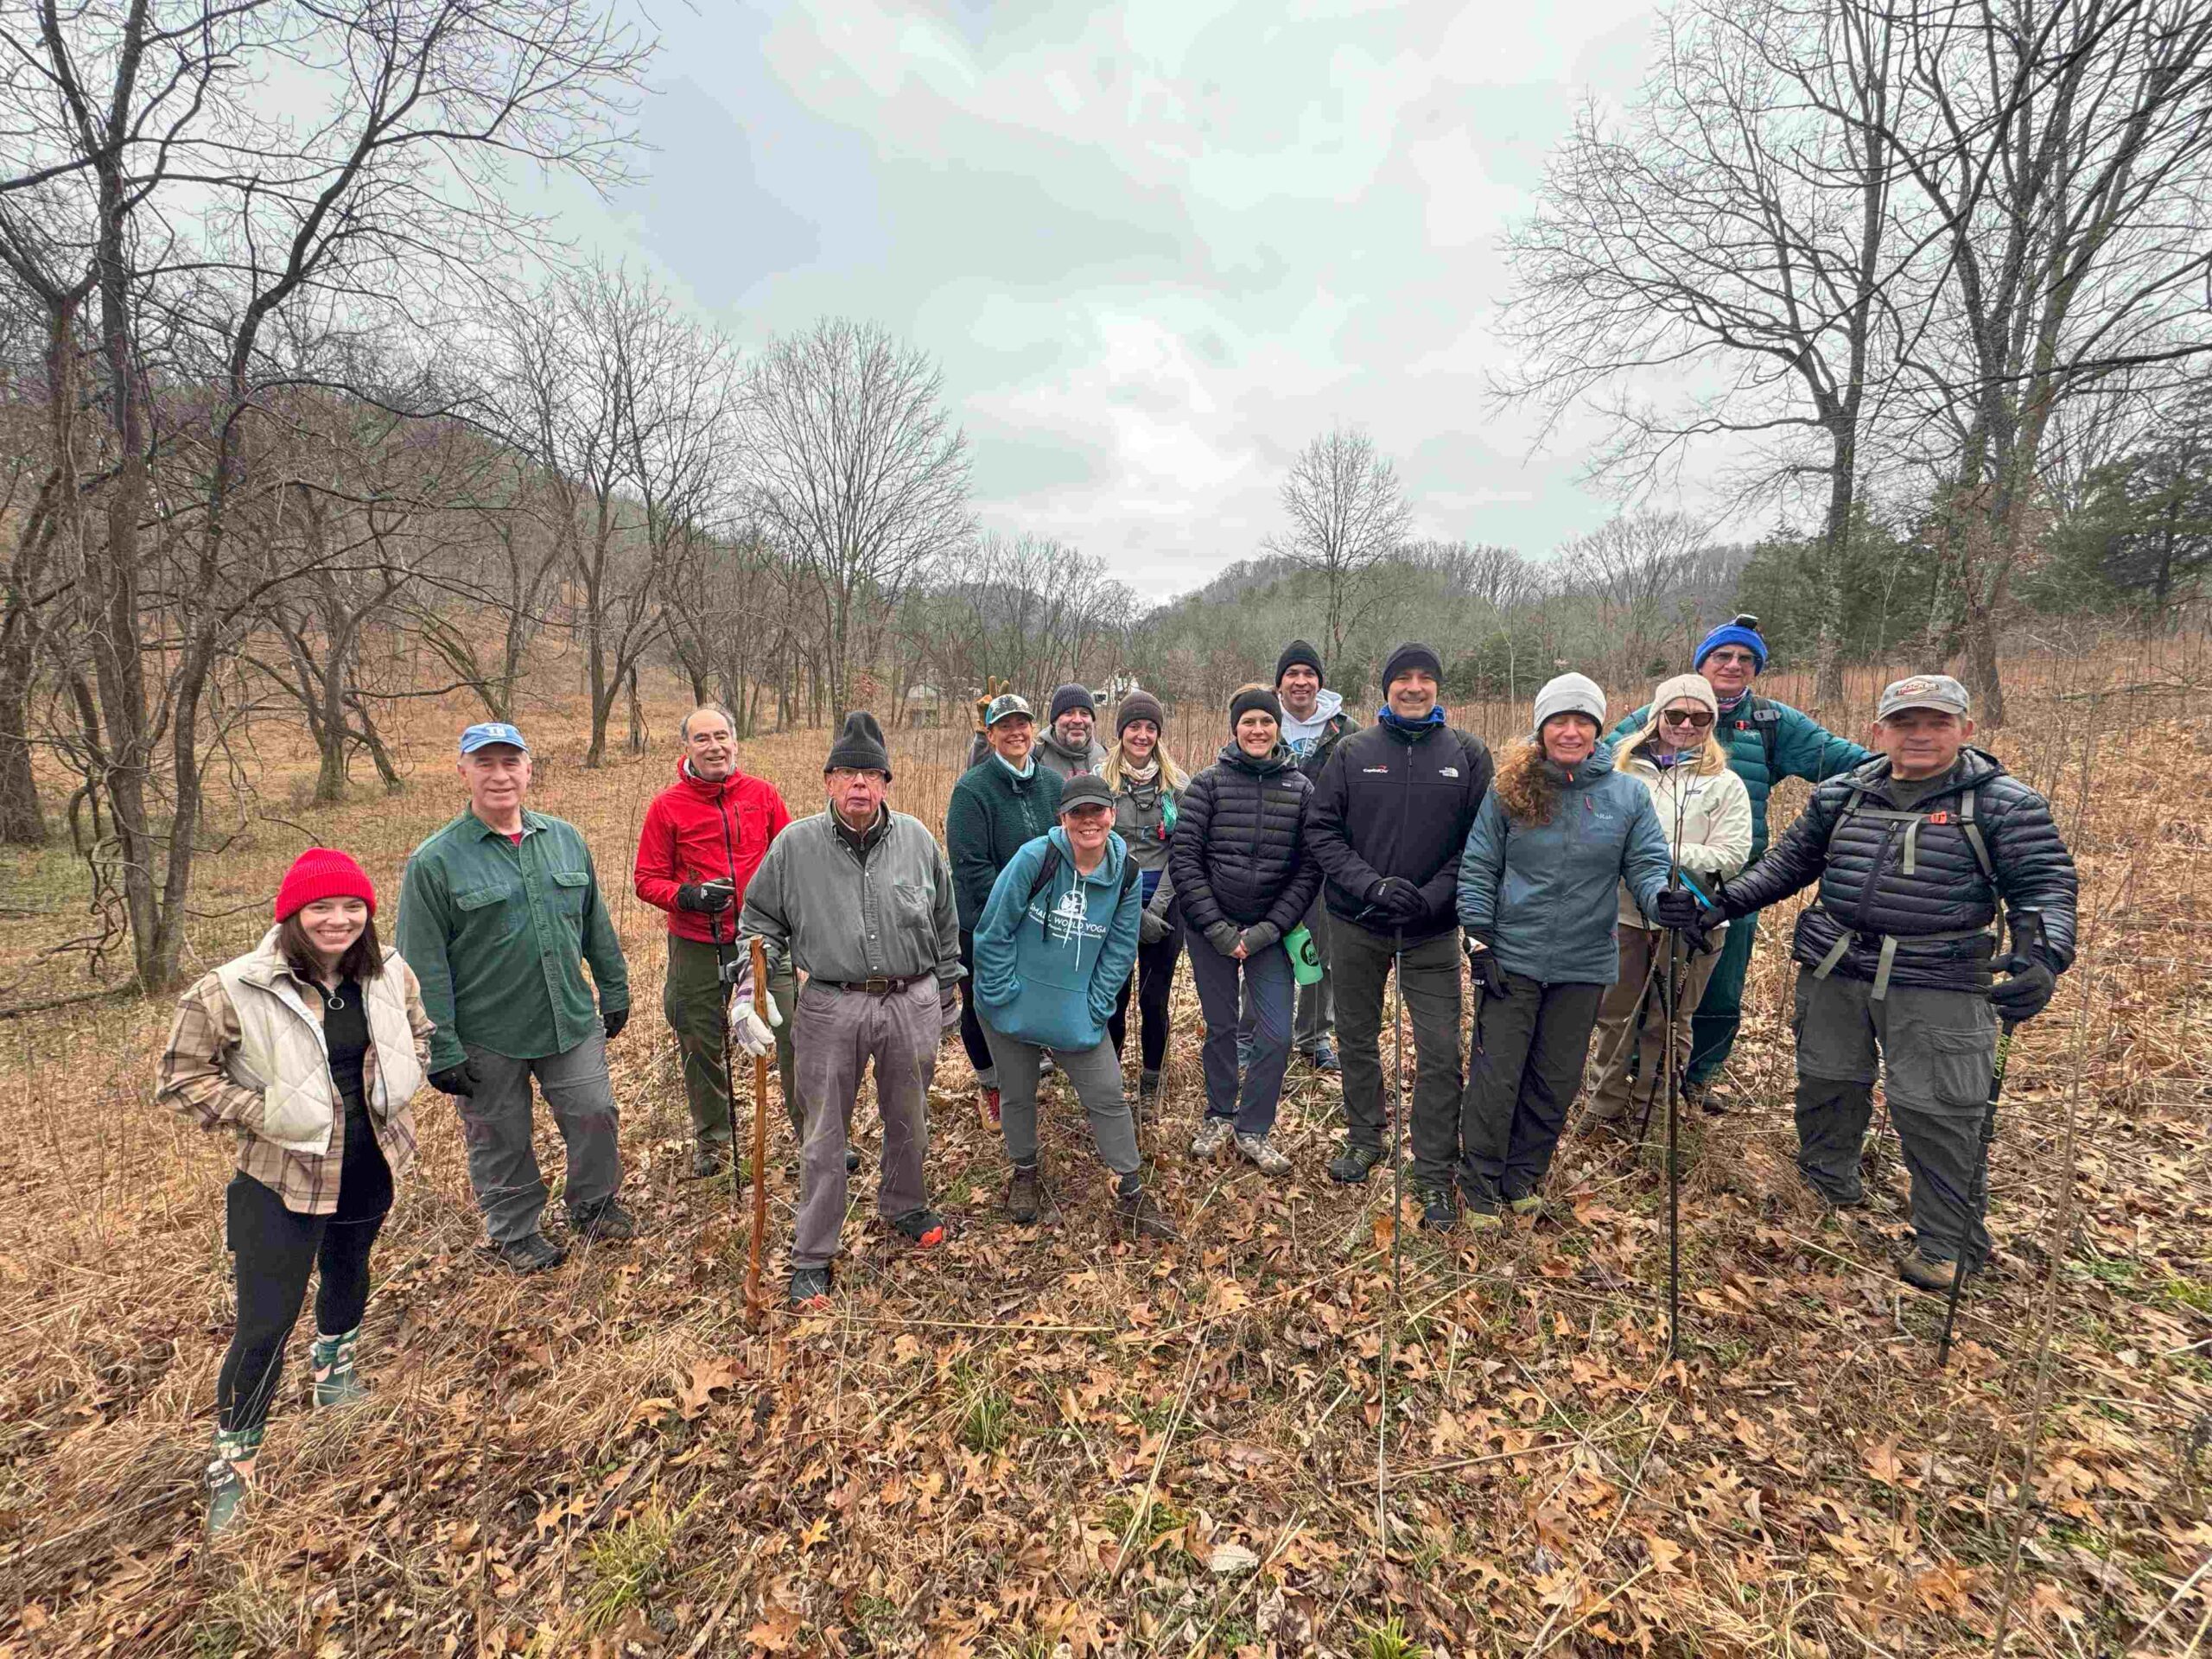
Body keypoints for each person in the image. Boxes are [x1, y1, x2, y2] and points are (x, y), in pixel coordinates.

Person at [1677, 674, 2077, 1292]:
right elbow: (1788, 865)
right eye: (1905, 724)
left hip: (1938, 977)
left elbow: (2045, 885)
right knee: (1827, 1082)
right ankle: (1823, 1186)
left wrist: (2042, 956)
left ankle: (1947, 1241)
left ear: (1965, 730)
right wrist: (1720, 905)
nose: (1919, 736)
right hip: (1836, 966)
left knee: (1938, 1108)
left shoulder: (2002, 803)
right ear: (1878, 732)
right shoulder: (1843, 794)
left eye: (1937, 723)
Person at [157, 849, 432, 1535]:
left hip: (370, 1160)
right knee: (265, 1321)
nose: (338, 920)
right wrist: (262, 1110)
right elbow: (181, 1078)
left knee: (349, 1271)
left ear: (368, 912)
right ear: (292, 915)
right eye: (320, 908)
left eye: (351, 907)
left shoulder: (389, 971)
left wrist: (406, 1075)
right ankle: (236, 1462)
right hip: (281, 1177)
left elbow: (420, 1033)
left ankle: (334, 1371)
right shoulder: (231, 988)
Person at [740, 712, 964, 1307]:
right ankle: (813, 1252)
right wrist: (748, 996)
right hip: (830, 1005)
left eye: (872, 774)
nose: (860, 785)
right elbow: (759, 924)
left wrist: (946, 990)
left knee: (909, 1117)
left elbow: (945, 921)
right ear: (829, 782)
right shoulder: (795, 847)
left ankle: (905, 1206)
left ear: (888, 783)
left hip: (910, 999)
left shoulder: (918, 839)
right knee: (823, 1135)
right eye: (847, 774)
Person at [396, 722, 632, 1274]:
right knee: (499, 1135)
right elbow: (421, 964)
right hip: (486, 1034)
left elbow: (595, 921)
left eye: (511, 763)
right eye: (486, 764)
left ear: (529, 770)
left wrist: (613, 985)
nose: (500, 776)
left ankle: (594, 1204)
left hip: (568, 1017)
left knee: (594, 1112)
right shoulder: (435, 862)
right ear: (463, 772)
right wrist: (441, 1046)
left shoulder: (565, 838)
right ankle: (515, 1230)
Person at [1610, 616, 1869, 1110]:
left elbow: (1849, 761)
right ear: (1702, 663)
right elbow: (1600, 765)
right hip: (1644, 888)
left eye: (1745, 659)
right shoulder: (1655, 715)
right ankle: (1631, 1081)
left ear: (1756, 669)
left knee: (1719, 991)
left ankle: (1695, 1078)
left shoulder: (1775, 724)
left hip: (1734, 885)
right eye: (1722, 656)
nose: (1733, 665)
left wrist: (1930, 770)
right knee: (1633, 987)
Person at [1452, 675, 1675, 1227]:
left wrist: (1663, 898)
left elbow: (1645, 864)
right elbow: (1479, 864)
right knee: (1497, 1074)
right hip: (1512, 958)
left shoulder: (1626, 795)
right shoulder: (1511, 790)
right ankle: (1479, 1181)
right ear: (1542, 728)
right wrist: (1479, 940)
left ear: (1599, 730)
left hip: (1583, 963)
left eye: (1583, 722)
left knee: (1554, 1078)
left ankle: (1523, 1176)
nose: (1570, 731)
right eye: (1559, 721)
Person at [1305, 641, 1494, 1185]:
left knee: (1439, 1051)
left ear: (1438, 687)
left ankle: (1433, 1164)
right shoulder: (1352, 750)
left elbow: (1481, 843)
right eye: (1403, 678)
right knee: (1356, 1039)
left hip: (1431, 932)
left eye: (1424, 677)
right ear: (1385, 688)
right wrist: (1372, 887)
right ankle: (1366, 1138)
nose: (1414, 687)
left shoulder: (1467, 752)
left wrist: (1435, 895)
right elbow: (1322, 829)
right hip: (1356, 923)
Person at [973, 773, 1177, 1239]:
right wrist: (1004, 993)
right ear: (1062, 818)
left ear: (1112, 814)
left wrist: (1095, 1006)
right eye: (1077, 813)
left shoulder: (1124, 873)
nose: (1089, 822)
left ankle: (1130, 1190)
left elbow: (1121, 947)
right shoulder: (1036, 858)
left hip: (1075, 1011)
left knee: (1108, 1094)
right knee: (1017, 1092)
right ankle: (1025, 1171)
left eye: (1097, 811)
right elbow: (993, 931)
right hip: (1010, 1004)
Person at [632, 704, 798, 1179]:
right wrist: (687, 895)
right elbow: (646, 879)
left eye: (721, 736)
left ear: (735, 742)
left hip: (763, 941)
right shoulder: (667, 807)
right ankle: (715, 1142)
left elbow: (790, 859)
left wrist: (790, 918)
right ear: (687, 747)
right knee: (699, 1043)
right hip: (696, 944)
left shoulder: (763, 795)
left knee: (793, 1037)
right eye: (702, 738)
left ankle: (814, 1134)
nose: (714, 747)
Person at [1583, 674, 1752, 1136]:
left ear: (1711, 723)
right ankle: (1603, 1106)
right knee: (1615, 1014)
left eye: (1699, 717)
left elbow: (1732, 856)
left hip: (1694, 919)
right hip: (1622, 914)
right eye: (1675, 714)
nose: (1685, 724)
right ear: (1656, 717)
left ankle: (1655, 1111)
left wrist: (1657, 852)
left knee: (1671, 1018)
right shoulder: (1620, 774)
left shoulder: (1725, 783)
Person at [1169, 684, 1321, 1175]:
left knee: (1275, 1034)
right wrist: (1216, 928)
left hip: (1270, 936)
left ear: (1279, 728)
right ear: (1234, 728)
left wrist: (1266, 931)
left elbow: (1308, 870)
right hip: (1210, 929)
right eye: (1248, 722)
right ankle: (1219, 1113)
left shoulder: (1301, 790)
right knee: (1221, 1027)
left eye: (1266, 722)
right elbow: (1185, 860)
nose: (1258, 730)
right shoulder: (1208, 785)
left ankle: (1254, 1126)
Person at [945, 693, 1065, 1123]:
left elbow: (1068, 851)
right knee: (983, 1004)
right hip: (986, 925)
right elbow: (971, 869)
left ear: (1033, 730)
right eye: (1005, 726)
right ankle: (990, 1082)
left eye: (1023, 724)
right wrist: (1021, 909)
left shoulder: (1053, 785)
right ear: (991, 734)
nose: (1016, 732)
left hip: (1043, 921)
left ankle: (1027, 1070)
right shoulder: (971, 790)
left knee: (1029, 997)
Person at [1249, 639, 1357, 1074]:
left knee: (1320, 953)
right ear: (1279, 684)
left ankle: (1314, 1036)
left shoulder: (1346, 731)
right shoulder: (1260, 724)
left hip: (1327, 859)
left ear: (1319, 682)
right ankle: (1253, 1031)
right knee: (1260, 945)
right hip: (1270, 855)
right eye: (1291, 674)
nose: (1301, 681)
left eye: (1308, 674)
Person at [1102, 689, 1187, 1109]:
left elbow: (1184, 851)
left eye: (1150, 727)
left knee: (1154, 999)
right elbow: (1092, 849)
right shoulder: (1101, 783)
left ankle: (1152, 1079)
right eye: (1134, 726)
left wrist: (1154, 909)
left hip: (1165, 905)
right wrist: (1130, 910)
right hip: (1113, 903)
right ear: (1121, 733)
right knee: (1113, 1000)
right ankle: (1109, 1079)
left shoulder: (1178, 785)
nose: (1142, 734)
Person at [1035, 683, 1108, 779]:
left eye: (1084, 713)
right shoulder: (1035, 756)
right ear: (1054, 721)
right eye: (1068, 713)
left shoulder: (1105, 758)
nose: (1077, 720)